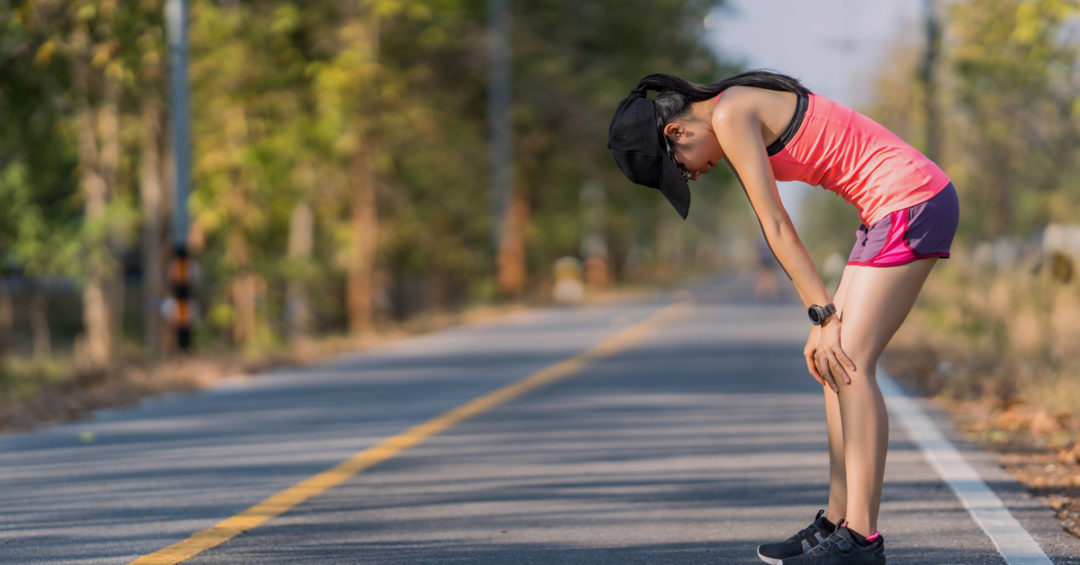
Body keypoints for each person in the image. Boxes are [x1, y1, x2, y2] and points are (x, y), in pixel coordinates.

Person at [607, 71, 959, 565]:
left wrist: (821, 315)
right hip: (886, 211)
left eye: (682, 170)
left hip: (911, 201)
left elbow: (774, 223)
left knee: (850, 361)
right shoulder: (730, 113)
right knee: (831, 366)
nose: (694, 175)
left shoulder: (730, 114)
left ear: (675, 134)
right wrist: (822, 322)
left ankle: (862, 539)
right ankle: (838, 523)